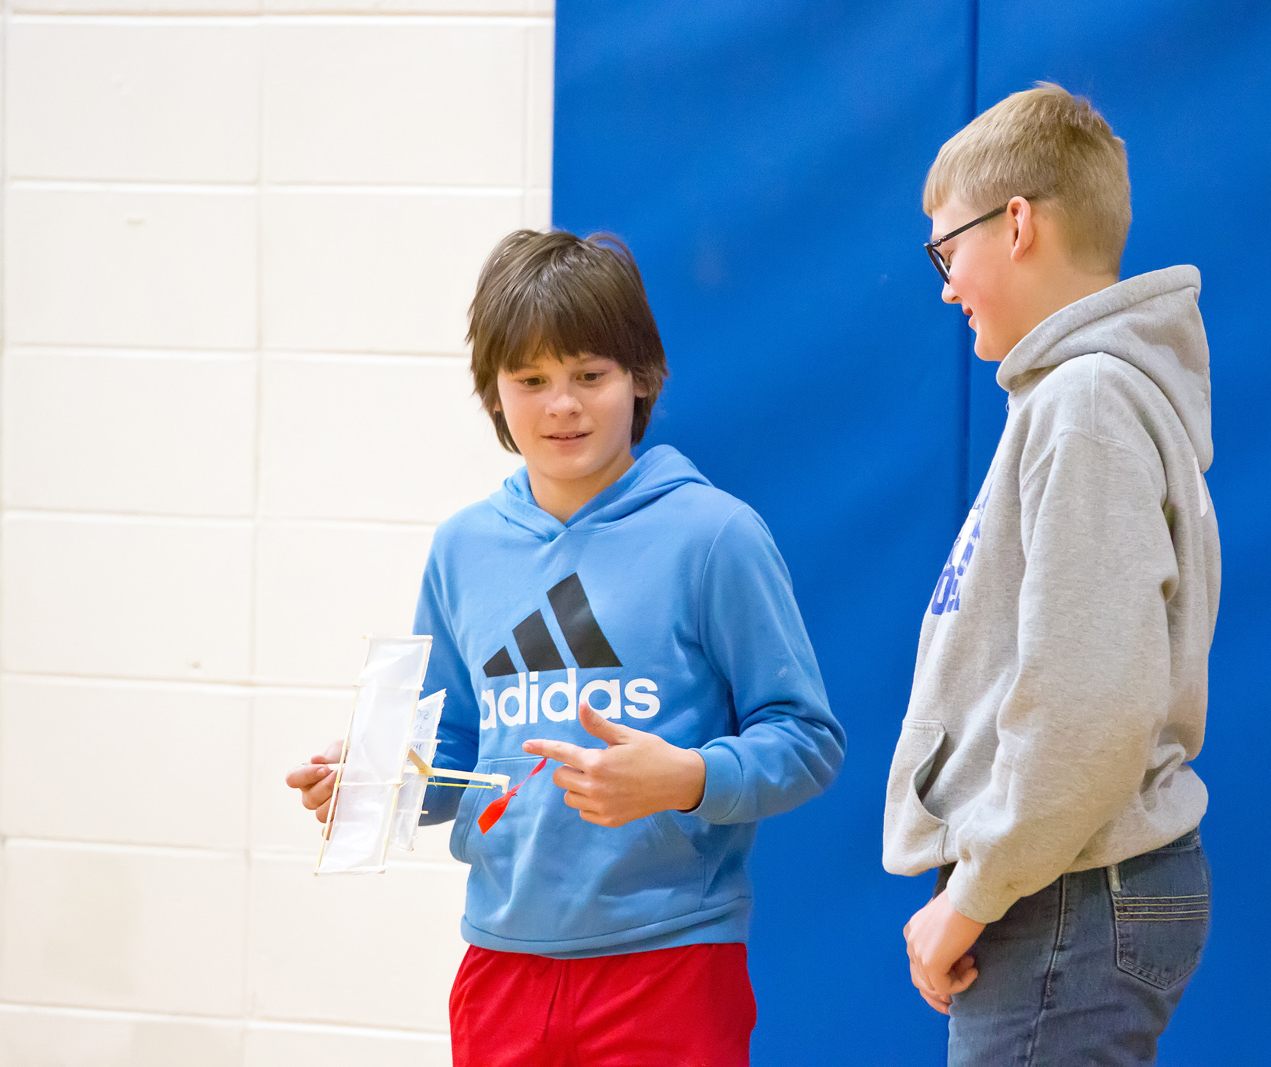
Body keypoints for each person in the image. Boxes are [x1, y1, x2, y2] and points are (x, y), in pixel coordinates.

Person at [286, 229, 845, 1067]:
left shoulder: (715, 535)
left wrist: (686, 777)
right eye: (532, 380)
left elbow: (807, 741)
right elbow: (451, 752)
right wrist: (377, 781)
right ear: (493, 391)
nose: (563, 405)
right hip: (501, 966)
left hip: (670, 961)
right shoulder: (461, 549)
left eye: (591, 375)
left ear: (642, 377)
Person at [882, 83, 1220, 1065]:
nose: (946, 285)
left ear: (1016, 222)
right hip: (1069, 882)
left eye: (948, 250)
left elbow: (1084, 703)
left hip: (1064, 891)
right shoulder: (1088, 396)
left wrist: (973, 893)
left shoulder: (1085, 402)